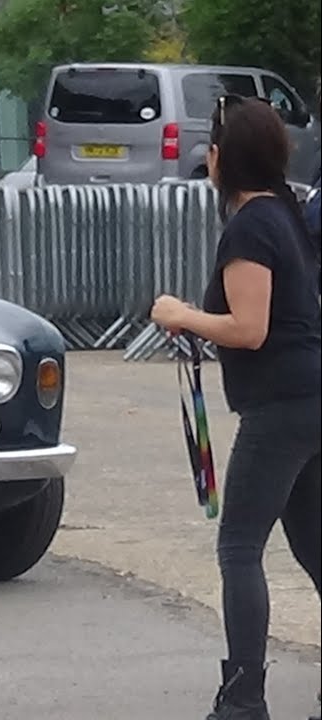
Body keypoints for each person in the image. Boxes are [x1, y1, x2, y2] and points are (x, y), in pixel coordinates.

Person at [150, 94, 321, 720]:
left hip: (282, 406)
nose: (207, 160)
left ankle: (243, 700)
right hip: (308, 399)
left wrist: (180, 314)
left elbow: (250, 328)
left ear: (224, 158)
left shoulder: (253, 224)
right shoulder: (288, 215)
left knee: (239, 548)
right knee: (314, 547)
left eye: (210, 150)